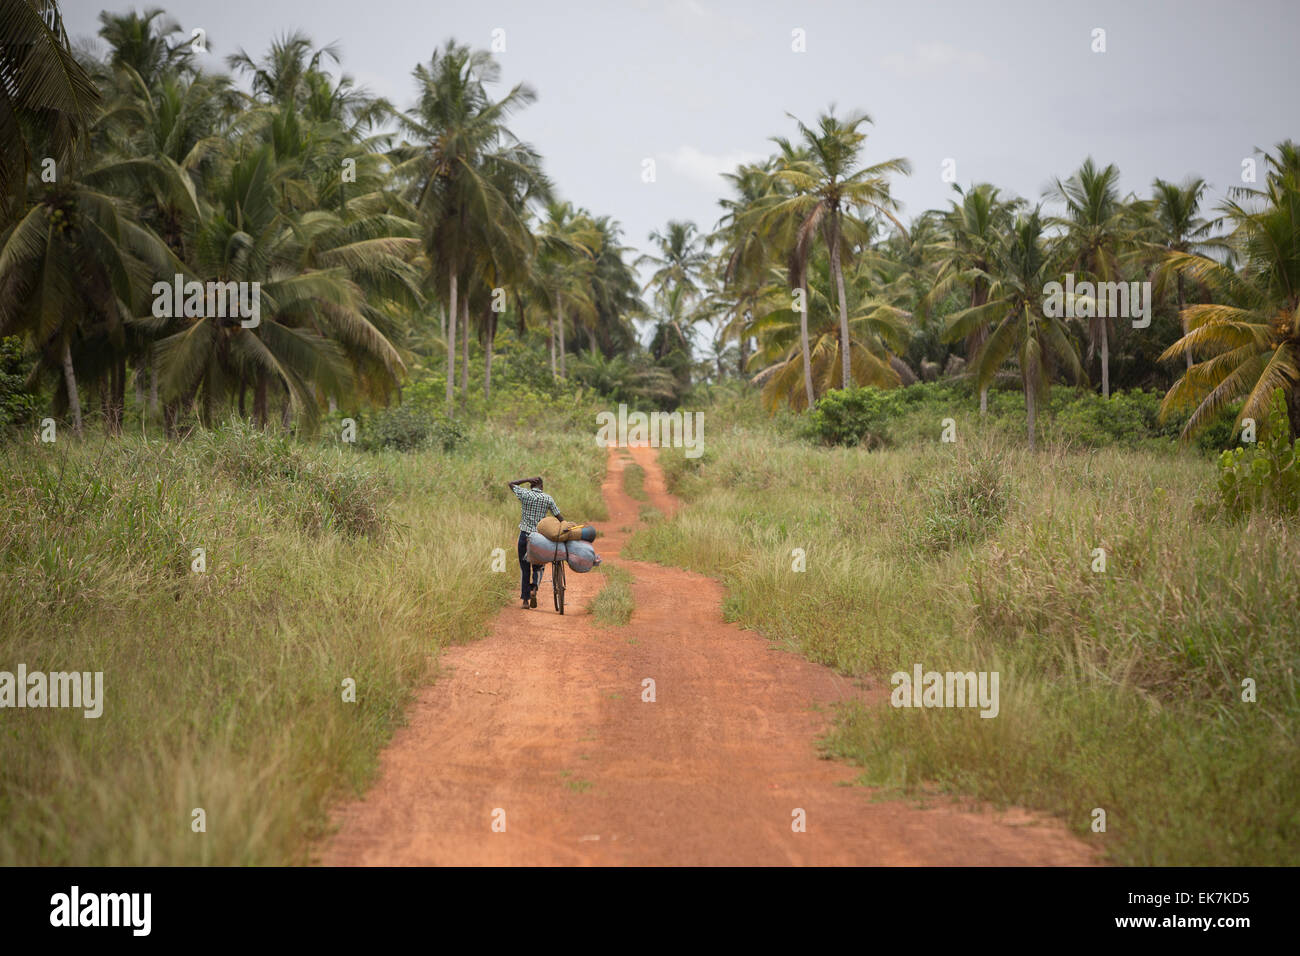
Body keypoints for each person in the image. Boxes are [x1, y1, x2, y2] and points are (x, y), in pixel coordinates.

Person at [508, 475, 563, 609]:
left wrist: (525, 480)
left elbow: (511, 484)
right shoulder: (547, 498)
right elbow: (559, 516)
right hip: (540, 538)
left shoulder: (525, 494)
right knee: (539, 566)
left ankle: (525, 601)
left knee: (524, 568)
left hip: (524, 536)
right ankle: (534, 588)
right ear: (542, 487)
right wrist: (565, 527)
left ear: (531, 485)